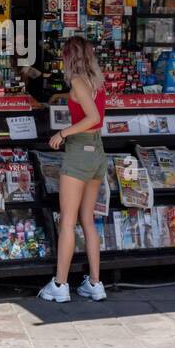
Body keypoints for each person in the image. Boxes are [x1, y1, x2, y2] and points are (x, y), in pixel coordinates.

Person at [40, 35, 108, 303]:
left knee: (67, 222)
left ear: (69, 57)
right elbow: (94, 114)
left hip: (79, 152)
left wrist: (63, 133)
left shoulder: (78, 83)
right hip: (97, 153)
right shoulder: (97, 83)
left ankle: (60, 285)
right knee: (88, 221)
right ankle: (95, 283)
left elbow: (93, 118)